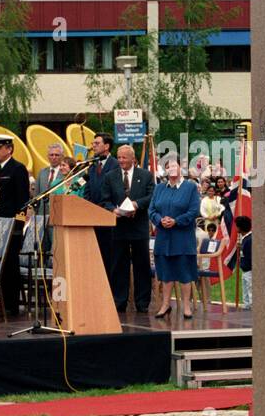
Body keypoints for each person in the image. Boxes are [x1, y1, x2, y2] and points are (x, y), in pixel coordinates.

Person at [105, 144, 155, 313]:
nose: (120, 161)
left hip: (139, 228)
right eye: (118, 157)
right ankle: (120, 301)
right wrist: (113, 210)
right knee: (119, 266)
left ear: (133, 159)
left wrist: (136, 204)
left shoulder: (146, 176)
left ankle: (142, 303)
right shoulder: (110, 176)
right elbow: (104, 199)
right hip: (119, 228)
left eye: (124, 158)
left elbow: (151, 196)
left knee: (142, 265)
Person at [0, 134, 30, 317]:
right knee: (1, 265)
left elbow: (22, 201)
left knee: (11, 265)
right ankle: (3, 303)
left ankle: (12, 305)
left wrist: (18, 226)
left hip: (11, 224)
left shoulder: (17, 169)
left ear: (9, 149)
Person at [149, 156, 200, 318]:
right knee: (165, 272)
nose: (171, 169)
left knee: (184, 272)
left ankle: (186, 306)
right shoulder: (159, 188)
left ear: (180, 168)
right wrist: (159, 220)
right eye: (168, 167)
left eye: (174, 166)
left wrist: (176, 221)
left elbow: (193, 211)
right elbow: (151, 210)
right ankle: (165, 305)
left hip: (182, 237)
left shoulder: (190, 187)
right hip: (164, 237)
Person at [83, 132, 119, 274]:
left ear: (107, 146)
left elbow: (116, 192)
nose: (93, 146)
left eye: (97, 143)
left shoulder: (115, 165)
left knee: (108, 258)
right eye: (93, 143)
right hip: (93, 219)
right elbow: (88, 188)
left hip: (108, 219)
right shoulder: (92, 165)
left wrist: (103, 209)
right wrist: (88, 206)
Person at [235, 214, 252, 309]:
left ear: (240, 227)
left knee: (251, 293)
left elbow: (250, 255)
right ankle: (246, 308)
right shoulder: (245, 239)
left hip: (250, 270)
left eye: (237, 225)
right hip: (245, 270)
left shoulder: (250, 240)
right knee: (245, 294)